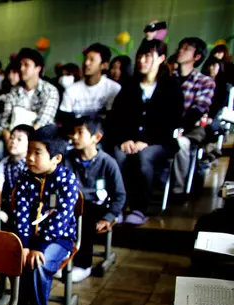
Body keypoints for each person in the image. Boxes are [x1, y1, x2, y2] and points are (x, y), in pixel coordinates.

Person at [5, 125, 79, 305]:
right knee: (15, 258)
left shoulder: (67, 179)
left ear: (56, 158)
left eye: (37, 153)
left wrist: (38, 246)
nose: (29, 158)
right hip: (30, 240)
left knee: (38, 264)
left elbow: (60, 220)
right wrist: (25, 245)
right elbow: (21, 214)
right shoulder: (25, 177)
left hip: (59, 239)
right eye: (29, 151)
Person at [107, 39, 184, 225]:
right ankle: (118, 207)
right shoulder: (129, 86)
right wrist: (124, 139)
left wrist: (147, 141)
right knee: (118, 156)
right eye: (140, 56)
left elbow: (172, 123)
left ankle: (139, 208)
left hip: (159, 142)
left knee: (144, 159)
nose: (142, 60)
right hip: (128, 140)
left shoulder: (171, 87)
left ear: (161, 59)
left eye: (148, 56)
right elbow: (116, 119)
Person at [64, 117, 125, 283]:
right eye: (73, 132)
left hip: (97, 208)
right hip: (72, 206)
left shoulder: (108, 163)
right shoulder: (67, 158)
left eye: (80, 133)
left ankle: (84, 265)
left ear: (96, 138)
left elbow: (120, 194)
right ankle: (62, 259)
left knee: (87, 215)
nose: (74, 137)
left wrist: (109, 217)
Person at [0, 48, 60, 163]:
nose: (22, 69)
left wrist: (23, 143)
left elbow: (43, 121)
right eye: (21, 65)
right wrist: (10, 140)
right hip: (14, 137)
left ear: (38, 68)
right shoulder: (13, 93)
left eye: (26, 65)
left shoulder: (50, 91)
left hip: (39, 137)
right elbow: (4, 122)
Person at [172, 37, 216, 195]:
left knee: (180, 143)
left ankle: (178, 189)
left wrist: (180, 127)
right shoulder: (169, 77)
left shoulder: (205, 82)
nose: (180, 51)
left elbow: (198, 109)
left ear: (197, 57)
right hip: (167, 125)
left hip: (190, 128)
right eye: (180, 47)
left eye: (186, 49)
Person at [58, 43, 121, 122]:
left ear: (104, 65)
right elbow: (65, 119)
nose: (86, 63)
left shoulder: (114, 88)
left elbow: (113, 118)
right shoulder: (71, 90)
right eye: (85, 59)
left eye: (92, 60)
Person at [0, 124, 32, 223]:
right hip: (9, 206)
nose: (13, 141)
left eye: (19, 139)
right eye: (12, 137)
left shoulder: (31, 165)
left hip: (28, 208)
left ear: (30, 144)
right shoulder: (3, 163)